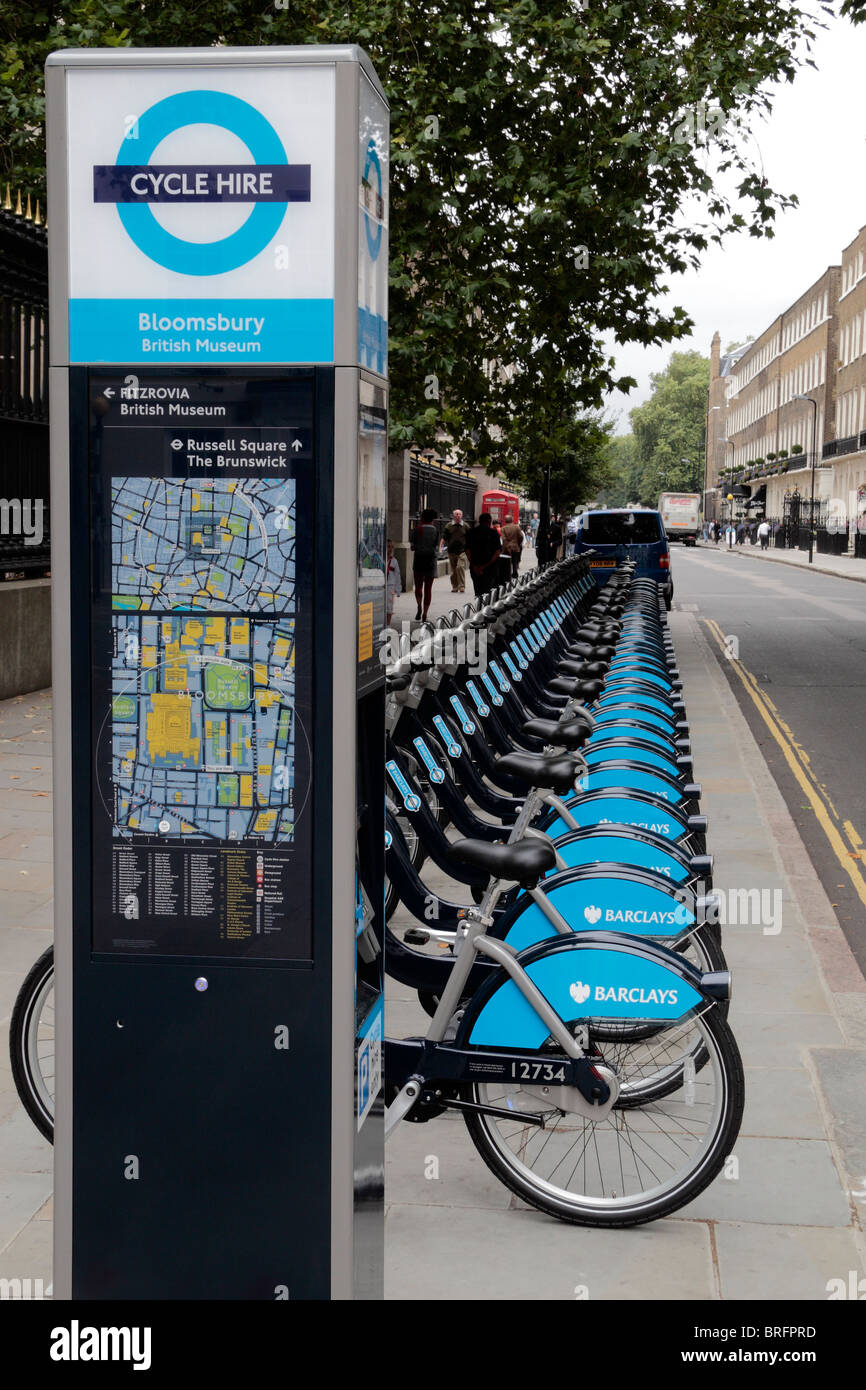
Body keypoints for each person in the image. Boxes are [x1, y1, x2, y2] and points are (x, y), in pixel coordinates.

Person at [410, 507, 439, 620]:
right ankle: (425, 613)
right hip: (431, 561)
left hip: (419, 560)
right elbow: (435, 546)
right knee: (428, 589)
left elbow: (412, 547)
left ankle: (419, 606)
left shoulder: (417, 529)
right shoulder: (435, 531)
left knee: (418, 587)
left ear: (422, 518)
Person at [465, 511, 502, 597]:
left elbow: (467, 551)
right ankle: (485, 609)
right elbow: (497, 552)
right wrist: (484, 566)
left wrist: (474, 565)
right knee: (488, 592)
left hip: (475, 567)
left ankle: (478, 607)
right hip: (490, 568)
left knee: (477, 591)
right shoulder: (493, 533)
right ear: (489, 521)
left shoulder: (471, 532)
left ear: (479, 521)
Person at [442, 508, 469, 593]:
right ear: (453, 516)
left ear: (462, 515)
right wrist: (440, 546)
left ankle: (462, 586)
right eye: (456, 514)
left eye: (459, 514)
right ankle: (455, 586)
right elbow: (444, 537)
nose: (458, 516)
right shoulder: (449, 526)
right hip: (451, 550)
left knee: (460, 567)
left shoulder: (465, 526)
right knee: (454, 570)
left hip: (462, 550)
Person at [385, 538, 402, 624]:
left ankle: (388, 624)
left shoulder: (394, 561)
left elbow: (397, 575)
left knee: (389, 606)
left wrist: (398, 589)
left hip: (390, 585)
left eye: (392, 547)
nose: (390, 549)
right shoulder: (380, 559)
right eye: (388, 546)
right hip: (382, 585)